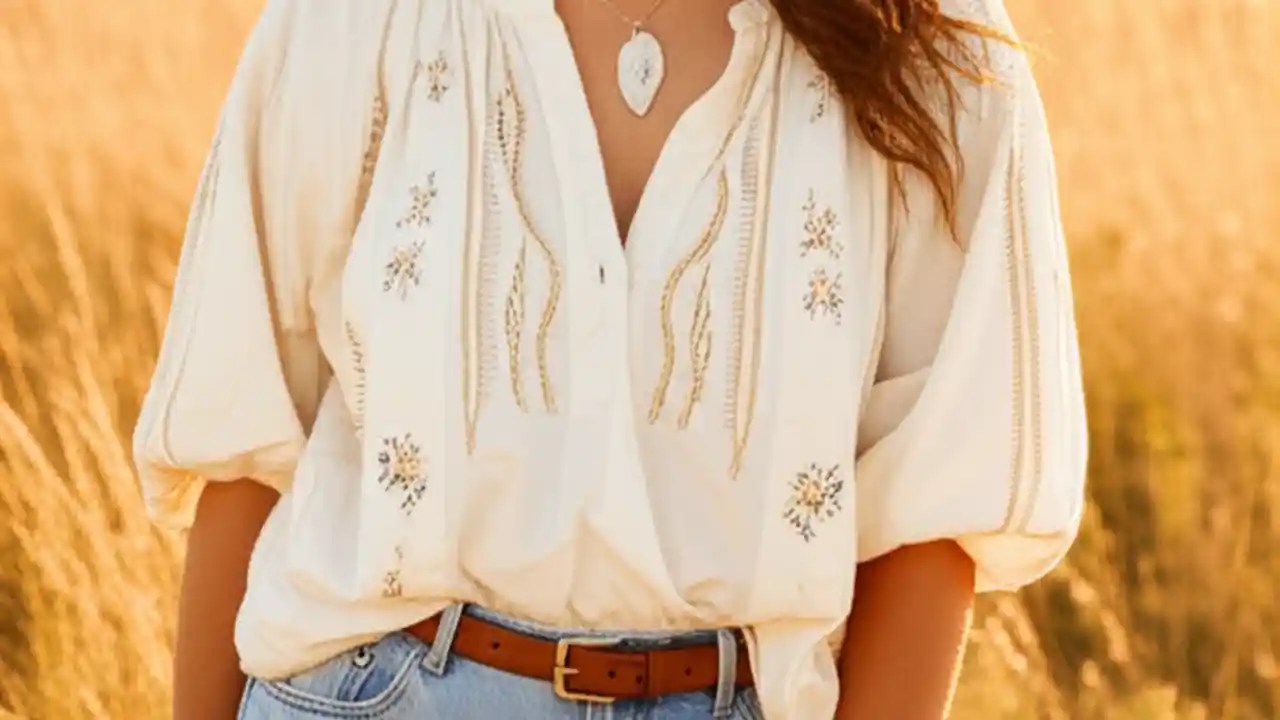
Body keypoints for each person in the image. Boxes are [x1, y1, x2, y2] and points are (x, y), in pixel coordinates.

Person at [132, 0, 1087, 717]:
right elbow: (246, 444)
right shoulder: (361, 18)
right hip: (376, 692)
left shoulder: (936, 46)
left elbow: (930, 524)